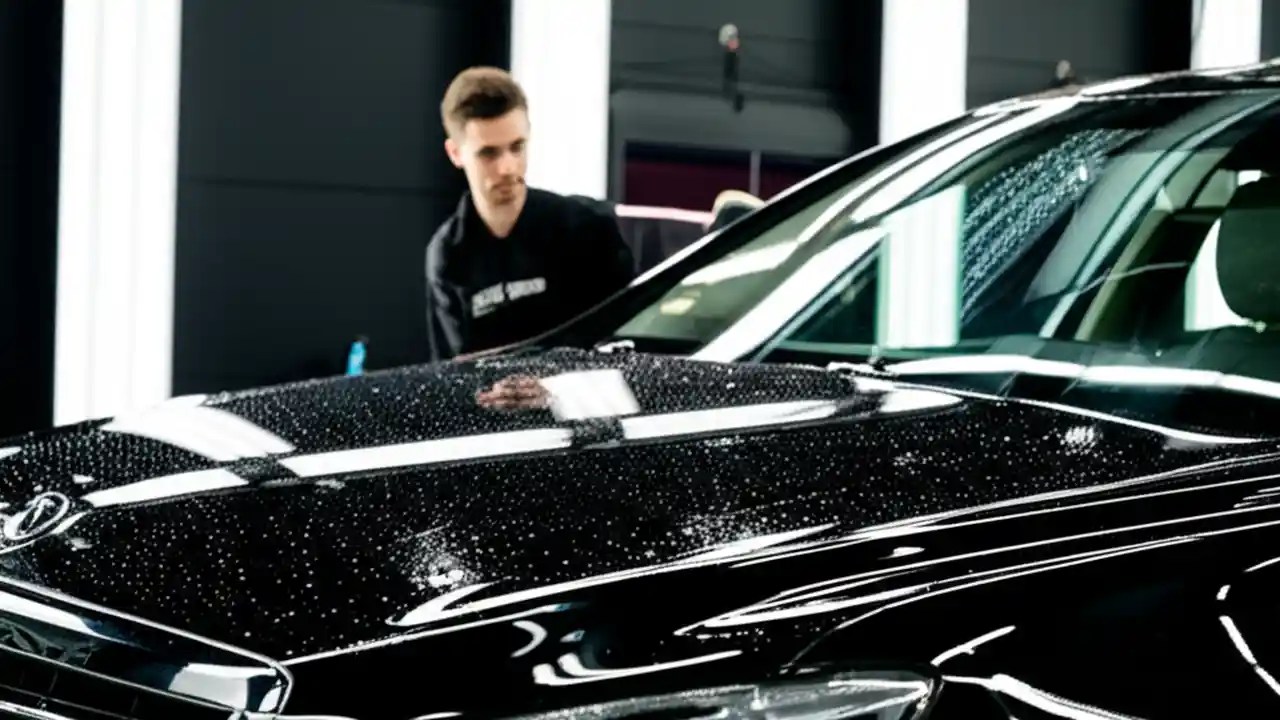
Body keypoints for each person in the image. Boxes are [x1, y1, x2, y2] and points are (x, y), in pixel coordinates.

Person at [425, 66, 635, 362]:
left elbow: (624, 343)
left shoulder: (586, 229)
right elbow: (451, 374)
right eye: (488, 153)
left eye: (517, 147)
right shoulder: (448, 256)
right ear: (455, 153)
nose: (507, 167)